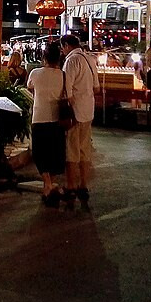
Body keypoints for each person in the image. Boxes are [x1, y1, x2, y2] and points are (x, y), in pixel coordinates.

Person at [60, 34, 98, 208]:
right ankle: (83, 184)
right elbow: (96, 87)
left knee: (72, 150)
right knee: (84, 149)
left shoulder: (71, 61)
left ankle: (71, 186)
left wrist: (69, 103)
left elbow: (66, 89)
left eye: (63, 47)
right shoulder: (90, 59)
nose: (62, 50)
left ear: (67, 45)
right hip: (88, 111)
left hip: (75, 113)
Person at [27, 41, 66, 207]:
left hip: (39, 117)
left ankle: (48, 184)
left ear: (44, 57)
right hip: (57, 119)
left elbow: (29, 87)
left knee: (39, 153)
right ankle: (50, 184)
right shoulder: (62, 75)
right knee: (54, 152)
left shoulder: (35, 73)